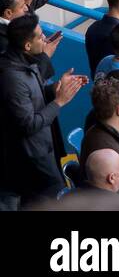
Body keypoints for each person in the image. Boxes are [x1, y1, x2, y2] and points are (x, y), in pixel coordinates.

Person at [0, 15, 88, 207]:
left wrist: (57, 87)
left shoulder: (24, 63)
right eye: (40, 37)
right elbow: (28, 124)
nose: (45, 39)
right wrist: (59, 101)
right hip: (31, 159)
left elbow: (34, 97)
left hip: (39, 153)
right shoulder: (12, 78)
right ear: (27, 46)